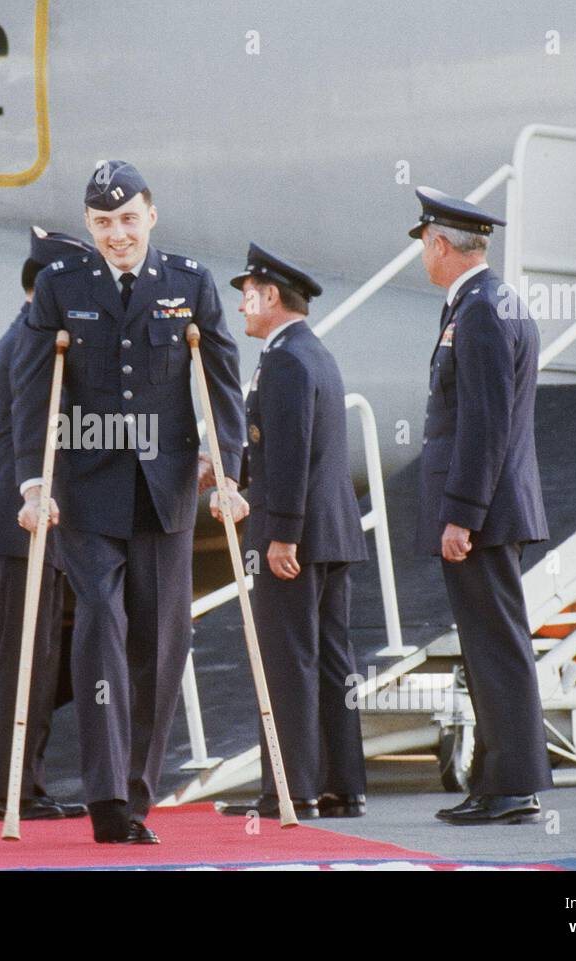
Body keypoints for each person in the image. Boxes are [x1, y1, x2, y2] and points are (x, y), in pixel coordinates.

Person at [11, 161, 246, 843]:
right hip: (85, 492)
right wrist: (34, 482)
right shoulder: (60, 287)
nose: (118, 233)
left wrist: (226, 468)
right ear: (89, 224)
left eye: (129, 218)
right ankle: (108, 796)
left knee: (161, 643)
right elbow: (33, 387)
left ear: (151, 214)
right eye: (104, 222)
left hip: (165, 490)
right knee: (100, 628)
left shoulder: (189, 283)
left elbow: (222, 380)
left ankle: (137, 793)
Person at [408, 186, 553, 825]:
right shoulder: (490, 303)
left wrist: (461, 513)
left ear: (440, 244)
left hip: (483, 512)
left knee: (495, 645)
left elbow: (485, 422)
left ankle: (512, 786)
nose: (422, 256)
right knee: (490, 644)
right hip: (491, 507)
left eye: (424, 244)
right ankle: (500, 781)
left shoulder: (480, 311)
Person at [216, 244, 370, 821]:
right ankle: (340, 786)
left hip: (296, 538)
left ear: (272, 295)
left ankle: (291, 788)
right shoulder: (314, 353)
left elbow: (290, 454)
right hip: (331, 532)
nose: (241, 306)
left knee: (288, 660)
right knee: (331, 660)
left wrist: (280, 533)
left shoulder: (282, 360)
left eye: (247, 294)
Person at [0, 227, 92, 823]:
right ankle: (8, 790)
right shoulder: (30, 343)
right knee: (27, 657)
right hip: (21, 525)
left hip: (28, 526)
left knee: (34, 654)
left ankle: (15, 785)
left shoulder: (26, 338)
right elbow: (34, 438)